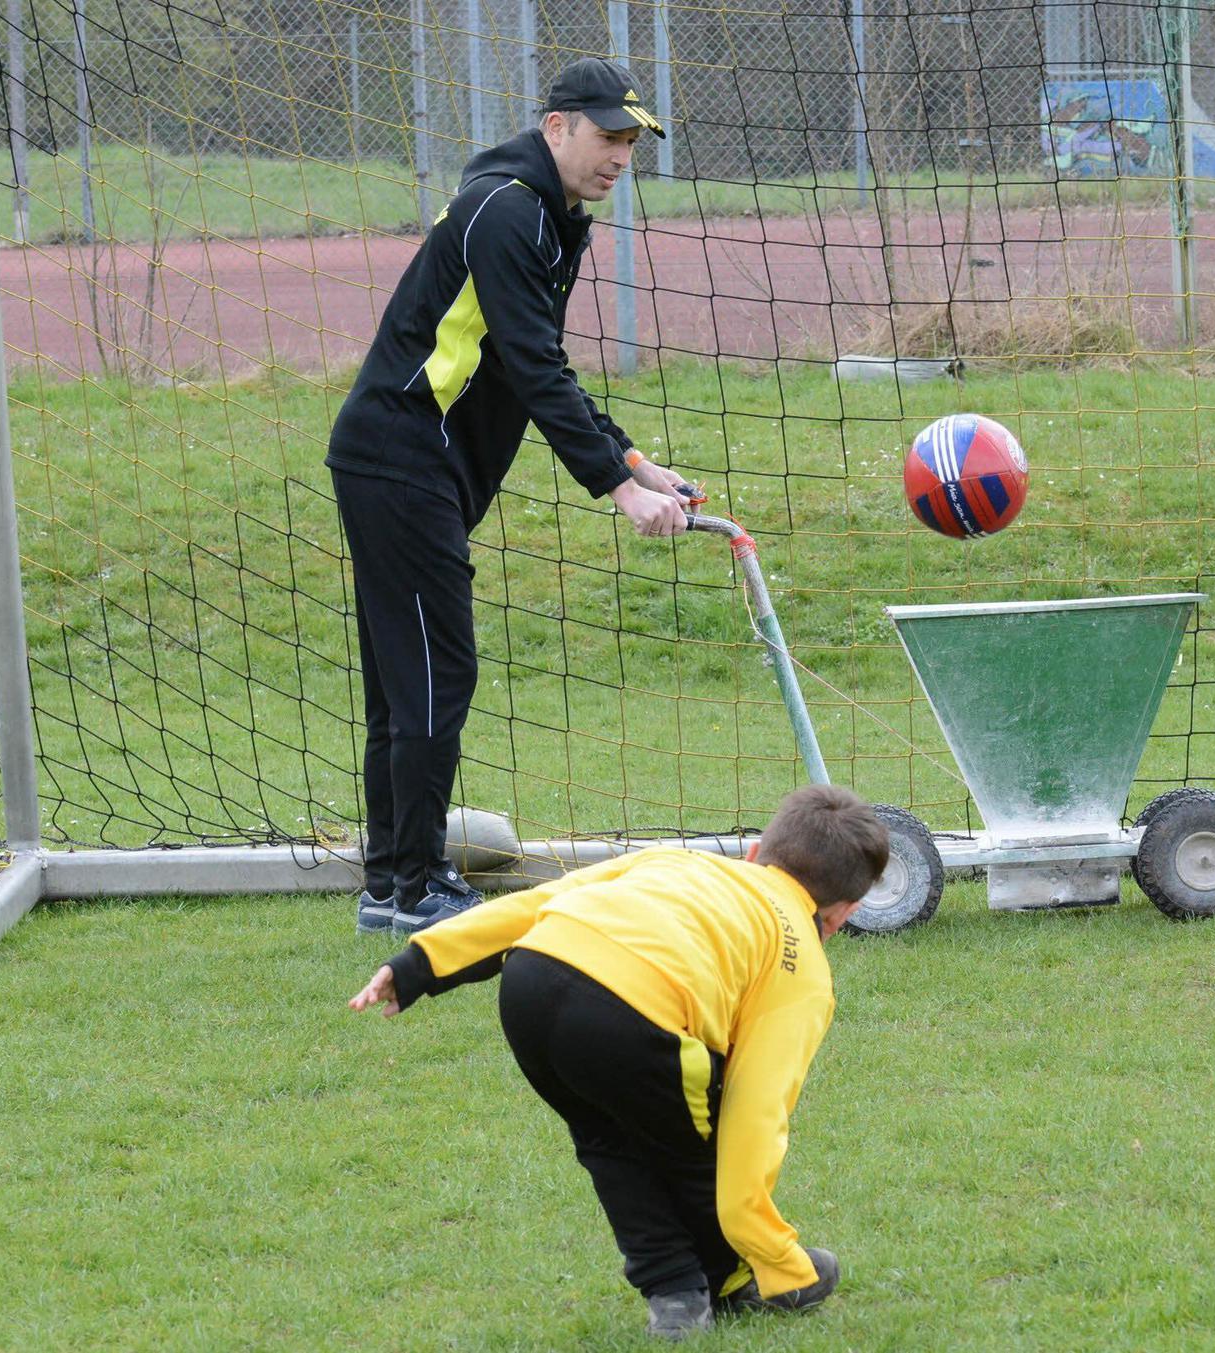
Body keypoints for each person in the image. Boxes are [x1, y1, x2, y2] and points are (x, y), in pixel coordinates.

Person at [326, 57, 695, 936]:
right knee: (432, 677)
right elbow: (532, 365)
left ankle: (391, 879)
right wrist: (614, 487)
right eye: (608, 137)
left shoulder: (542, 211)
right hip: (402, 457)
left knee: (404, 683)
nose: (620, 157)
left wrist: (635, 460)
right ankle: (415, 886)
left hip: (411, 465)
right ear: (558, 126)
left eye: (632, 142)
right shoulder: (511, 211)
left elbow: (537, 363)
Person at [347, 783, 888, 1340]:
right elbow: (755, 1120)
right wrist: (782, 1259)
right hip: (633, 1013)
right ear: (843, 914)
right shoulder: (803, 969)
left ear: (753, 852)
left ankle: (676, 1293)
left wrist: (420, 963)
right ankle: (741, 1279)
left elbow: (539, 903)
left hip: (531, 982)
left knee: (607, 1137)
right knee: (699, 1152)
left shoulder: (676, 861)